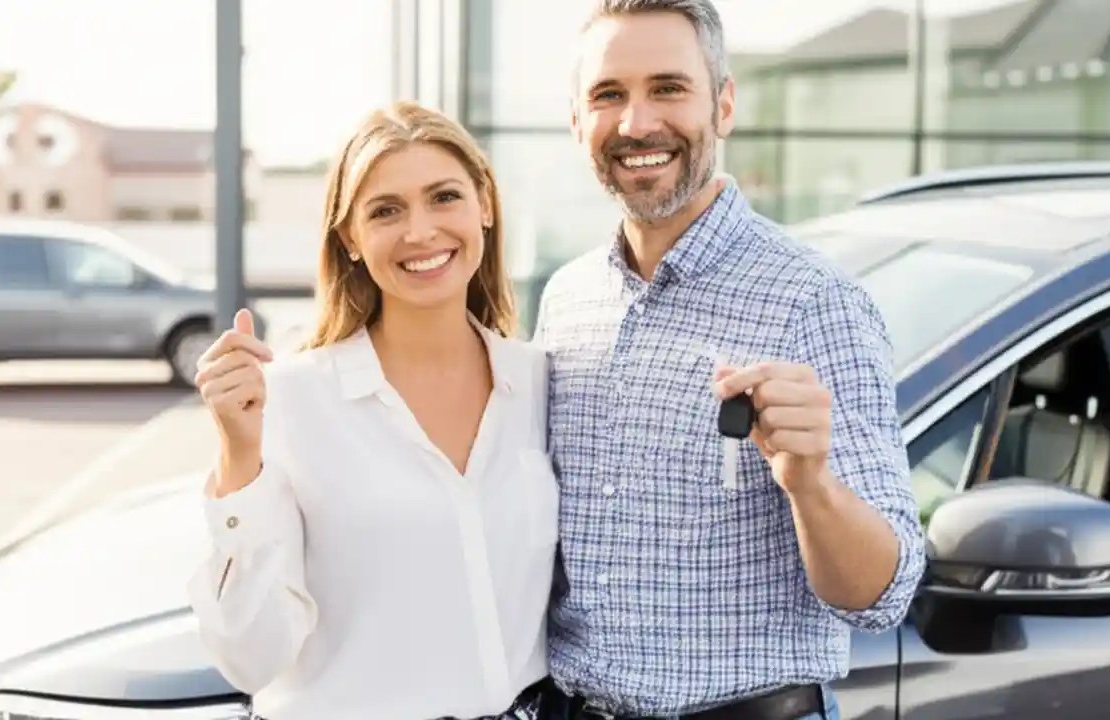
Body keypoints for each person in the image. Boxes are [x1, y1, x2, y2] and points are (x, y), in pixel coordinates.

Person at [531, 1, 926, 718]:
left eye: (668, 89)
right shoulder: (567, 300)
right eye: (608, 95)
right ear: (576, 121)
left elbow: (884, 596)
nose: (637, 123)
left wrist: (809, 484)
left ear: (724, 104)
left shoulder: (815, 302)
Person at [186, 101, 556, 720]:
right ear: (351, 239)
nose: (420, 232)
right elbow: (250, 659)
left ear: (484, 206)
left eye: (444, 197)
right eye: (386, 211)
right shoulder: (289, 398)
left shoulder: (541, 383)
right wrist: (239, 455)